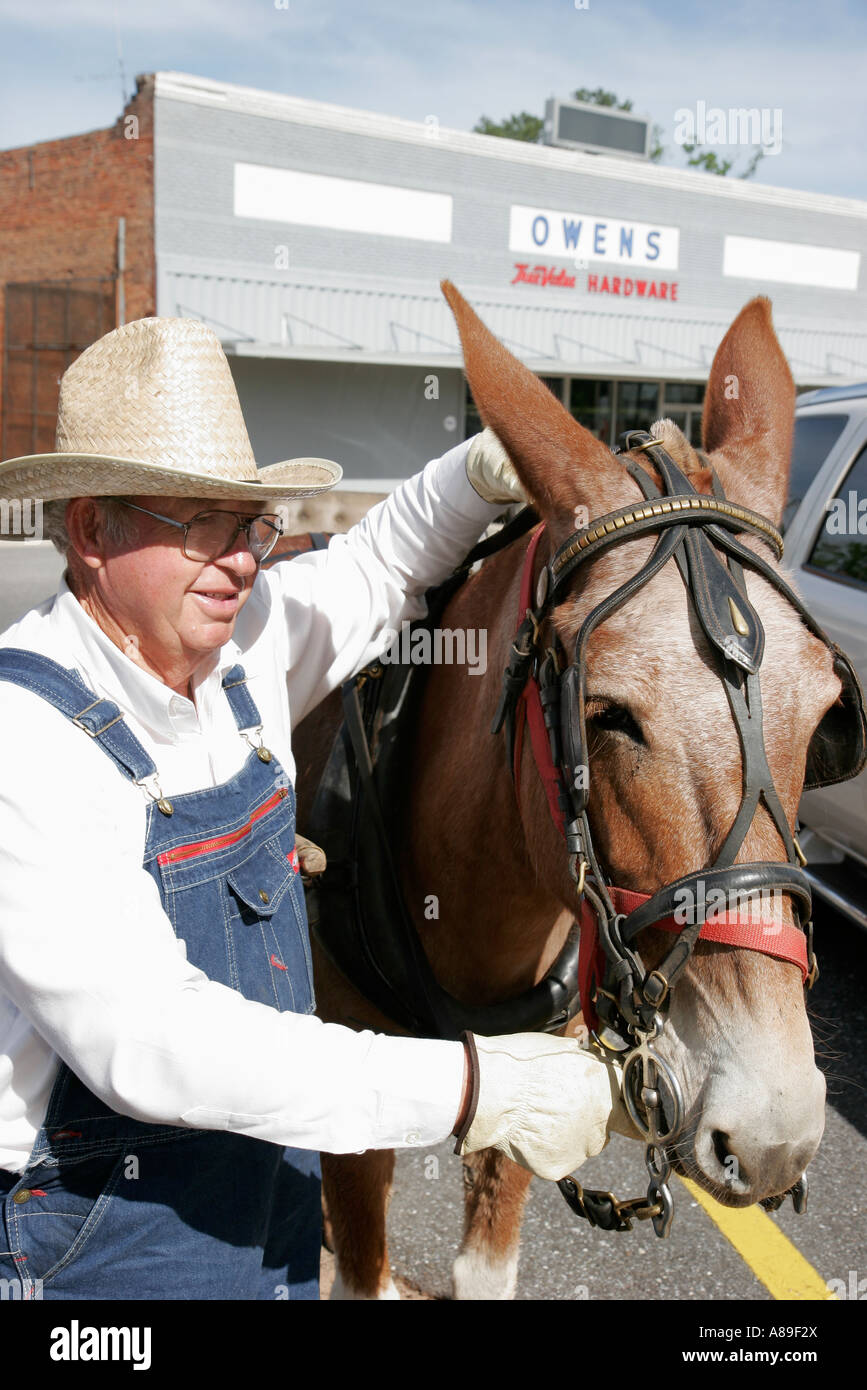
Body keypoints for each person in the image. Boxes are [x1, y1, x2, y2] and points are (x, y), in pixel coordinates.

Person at [0, 316, 626, 1301]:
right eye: (201, 524)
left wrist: (478, 470)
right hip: (106, 1249)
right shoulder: (27, 740)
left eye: (251, 523)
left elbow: (377, 568)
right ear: (90, 530)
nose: (247, 560)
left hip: (275, 1194)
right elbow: (153, 1043)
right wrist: (471, 1086)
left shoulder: (241, 646)